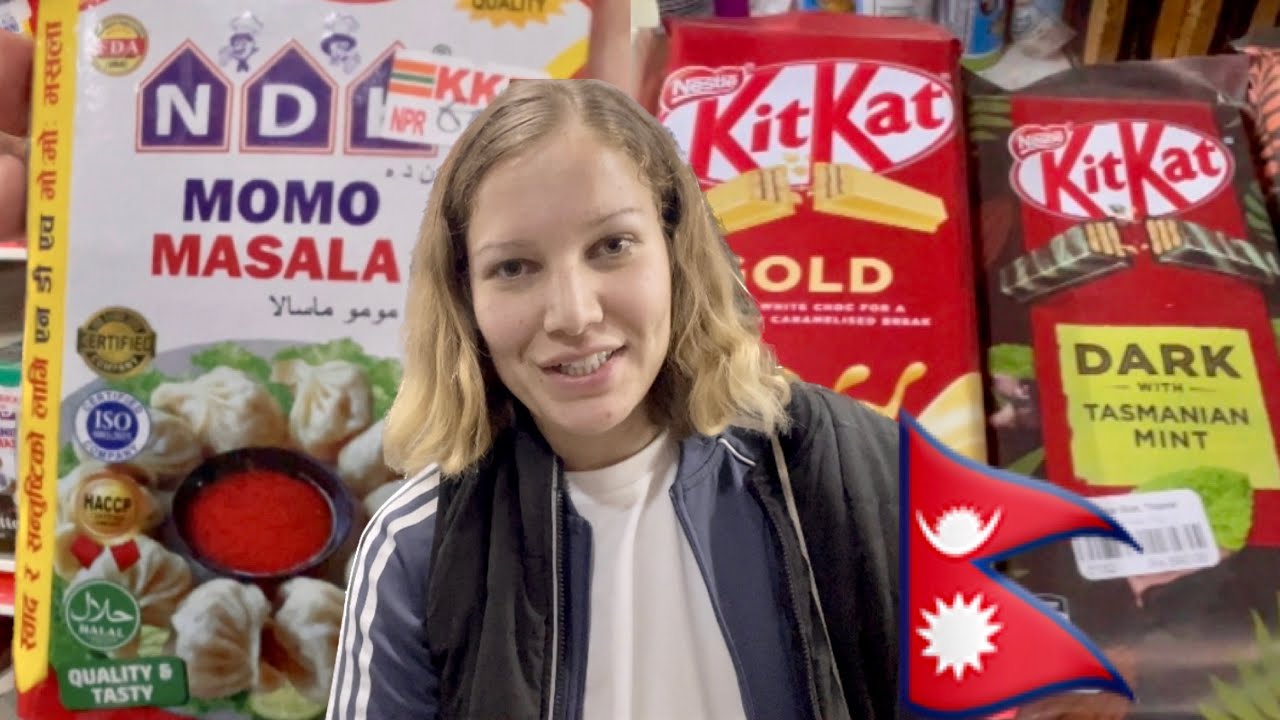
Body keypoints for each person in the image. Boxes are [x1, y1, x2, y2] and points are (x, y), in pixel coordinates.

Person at [329, 77, 900, 720]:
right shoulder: (416, 549)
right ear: (466, 300)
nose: (573, 314)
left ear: (677, 251)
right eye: (513, 267)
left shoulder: (856, 473)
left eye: (612, 246)